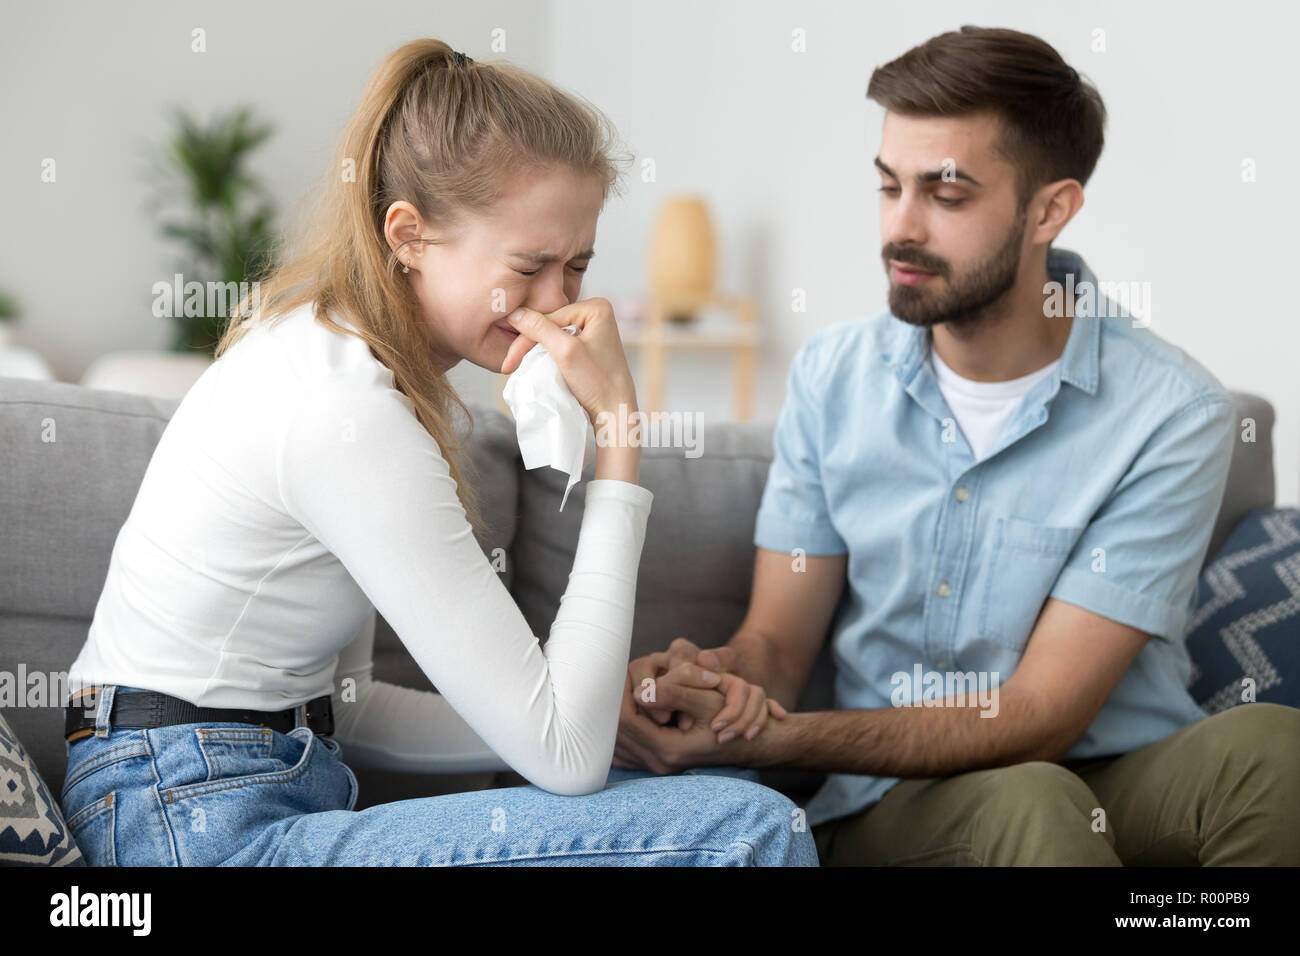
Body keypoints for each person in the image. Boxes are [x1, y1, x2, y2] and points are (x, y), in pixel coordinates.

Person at [59, 38, 816, 867]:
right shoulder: (343, 409)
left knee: (726, 787)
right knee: (749, 828)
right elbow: (564, 760)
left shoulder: (346, 368)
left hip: (219, 788)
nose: (560, 304)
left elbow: (354, 703)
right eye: (529, 267)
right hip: (190, 820)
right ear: (410, 235)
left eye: (577, 266)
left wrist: (600, 717)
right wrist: (619, 439)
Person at [614, 25, 1300, 865]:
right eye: (888, 186)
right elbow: (780, 647)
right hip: (900, 803)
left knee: (1273, 751)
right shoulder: (835, 377)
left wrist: (784, 737)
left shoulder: (1172, 411)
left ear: (1051, 208)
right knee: (1028, 800)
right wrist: (723, 686)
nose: (901, 228)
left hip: (1117, 770)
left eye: (945, 195)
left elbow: (1041, 714)